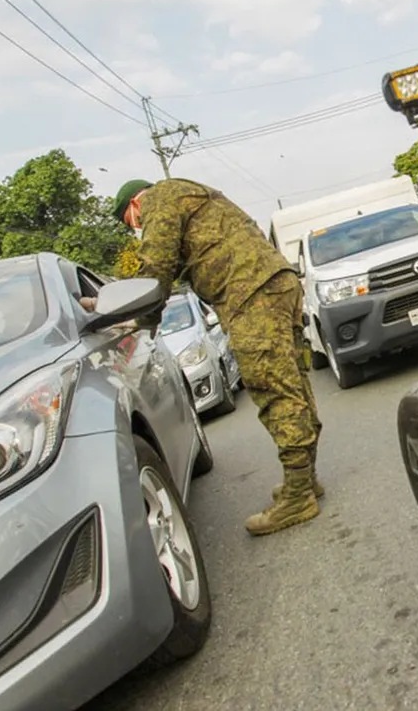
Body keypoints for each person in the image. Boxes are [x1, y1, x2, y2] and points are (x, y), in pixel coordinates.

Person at [106, 177, 325, 537]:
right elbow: (174, 264)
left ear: (132, 206)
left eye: (133, 223)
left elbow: (155, 266)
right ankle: (305, 478)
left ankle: (299, 494)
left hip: (249, 292)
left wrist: (143, 325)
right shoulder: (186, 196)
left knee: (274, 390)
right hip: (275, 282)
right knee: (294, 384)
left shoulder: (157, 199)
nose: (139, 227)